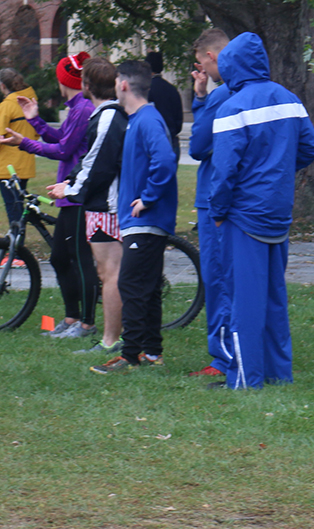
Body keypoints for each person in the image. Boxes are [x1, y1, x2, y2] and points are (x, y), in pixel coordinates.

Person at [208, 32, 314, 389]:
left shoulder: (232, 108)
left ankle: (244, 378)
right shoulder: (289, 100)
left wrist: (218, 209)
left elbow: (223, 172)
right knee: (274, 298)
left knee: (242, 299)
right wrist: (281, 168)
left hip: (243, 216)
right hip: (278, 212)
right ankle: (278, 373)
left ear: (230, 66)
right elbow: (311, 148)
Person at [1, 52, 100, 339]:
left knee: (78, 259)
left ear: (61, 80)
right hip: (69, 194)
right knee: (59, 257)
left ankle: (86, 324)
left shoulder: (82, 108)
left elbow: (64, 151)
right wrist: (36, 121)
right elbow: (61, 140)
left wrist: (26, 144)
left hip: (79, 193)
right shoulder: (76, 107)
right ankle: (71, 319)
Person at [90, 60, 178, 374]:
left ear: (123, 84)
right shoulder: (139, 119)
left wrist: (148, 198)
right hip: (141, 222)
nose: (114, 87)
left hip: (146, 220)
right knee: (148, 287)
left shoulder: (147, 120)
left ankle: (131, 356)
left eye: (116, 82)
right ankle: (151, 354)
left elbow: (166, 160)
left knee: (130, 285)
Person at [49, 57, 129, 354]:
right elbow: (88, 160)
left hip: (105, 205)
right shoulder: (106, 114)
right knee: (109, 272)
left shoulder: (106, 116)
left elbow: (98, 165)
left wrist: (70, 187)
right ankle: (114, 337)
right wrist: (69, 183)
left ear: (86, 85)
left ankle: (109, 340)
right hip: (103, 202)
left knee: (109, 273)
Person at [186, 28, 233, 379]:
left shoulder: (222, 97)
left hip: (214, 200)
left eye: (202, 61)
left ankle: (221, 358)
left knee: (217, 277)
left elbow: (198, 146)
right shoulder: (257, 92)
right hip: (246, 203)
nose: (201, 69)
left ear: (212, 57)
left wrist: (202, 100)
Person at [0, 68, 39, 227]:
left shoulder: (6, 106)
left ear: (2, 86)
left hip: (7, 166)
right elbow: (36, 133)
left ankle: (15, 248)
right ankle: (17, 244)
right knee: (19, 206)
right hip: (25, 163)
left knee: (13, 209)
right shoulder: (30, 102)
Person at [145, 52, 184, 162]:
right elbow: (178, 121)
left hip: (154, 144)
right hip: (172, 141)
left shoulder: (146, 90)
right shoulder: (172, 89)